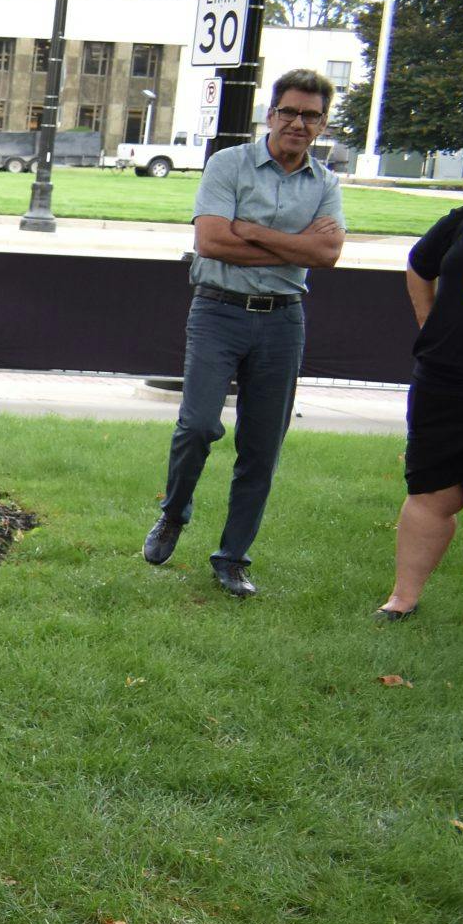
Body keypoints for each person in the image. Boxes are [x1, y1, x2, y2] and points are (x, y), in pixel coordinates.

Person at [142, 70, 345, 598]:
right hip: (219, 310)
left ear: (322, 124)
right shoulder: (228, 164)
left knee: (262, 446)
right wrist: (293, 244)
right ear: (271, 114)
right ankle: (174, 512)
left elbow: (327, 253)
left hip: (283, 319)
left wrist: (250, 230)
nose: (298, 123)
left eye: (311, 116)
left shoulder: (325, 184)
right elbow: (212, 242)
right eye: (289, 112)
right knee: (197, 425)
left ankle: (232, 558)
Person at [376, 201, 463, 620]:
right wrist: (426, 318)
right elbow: (419, 264)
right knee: (430, 491)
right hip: (442, 379)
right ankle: (403, 600)